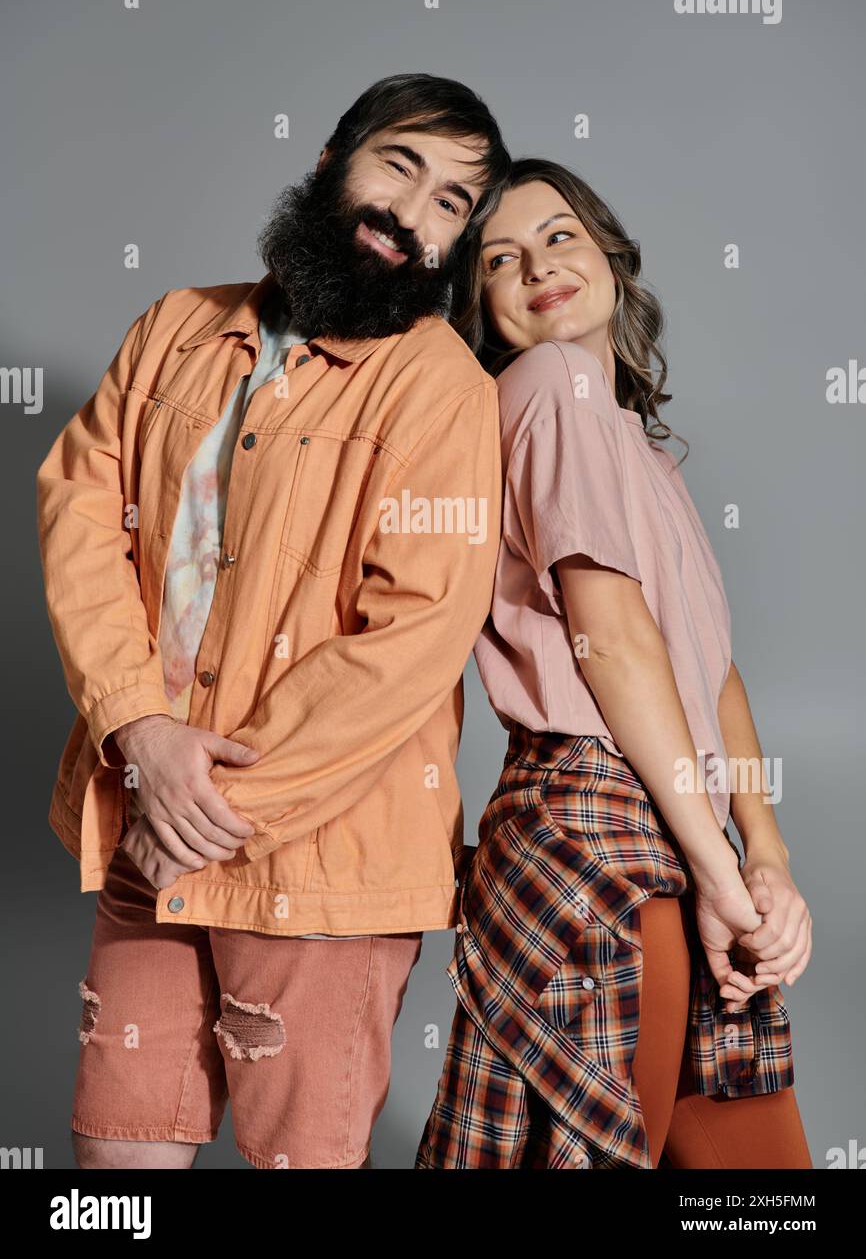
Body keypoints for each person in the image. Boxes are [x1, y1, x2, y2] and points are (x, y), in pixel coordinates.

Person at [36, 73, 510, 1170]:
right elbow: (79, 520)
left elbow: (410, 640)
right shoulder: (175, 329)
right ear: (328, 165)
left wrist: (202, 805)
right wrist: (141, 738)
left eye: (451, 201)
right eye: (398, 165)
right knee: (115, 1161)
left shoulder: (441, 388)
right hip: (149, 824)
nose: (414, 211)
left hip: (321, 863)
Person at [416, 157, 813, 1169]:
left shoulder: (641, 450)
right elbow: (611, 633)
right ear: (483, 307)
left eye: (558, 236)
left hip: (675, 826)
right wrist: (725, 866)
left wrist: (759, 854)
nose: (536, 265)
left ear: (607, 254)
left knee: (743, 1169)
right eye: (498, 259)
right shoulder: (545, 386)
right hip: (588, 828)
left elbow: (709, 672)